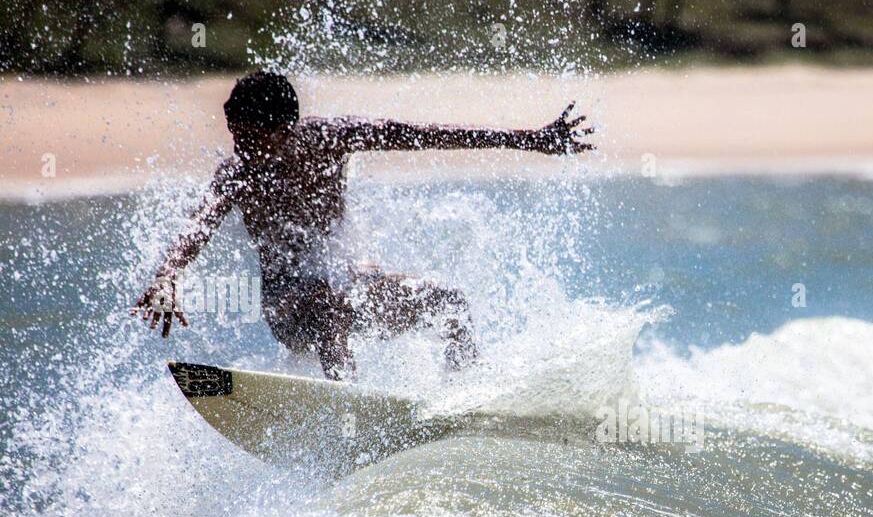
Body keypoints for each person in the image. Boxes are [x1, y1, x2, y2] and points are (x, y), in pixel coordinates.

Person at [131, 70, 594, 378]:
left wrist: (527, 139)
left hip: (347, 278)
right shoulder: (236, 175)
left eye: (253, 140)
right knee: (330, 303)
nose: (242, 150)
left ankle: (466, 394)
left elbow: (423, 136)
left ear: (284, 129)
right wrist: (168, 275)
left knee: (449, 303)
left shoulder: (331, 138)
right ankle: (346, 407)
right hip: (288, 301)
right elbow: (198, 225)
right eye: (235, 136)